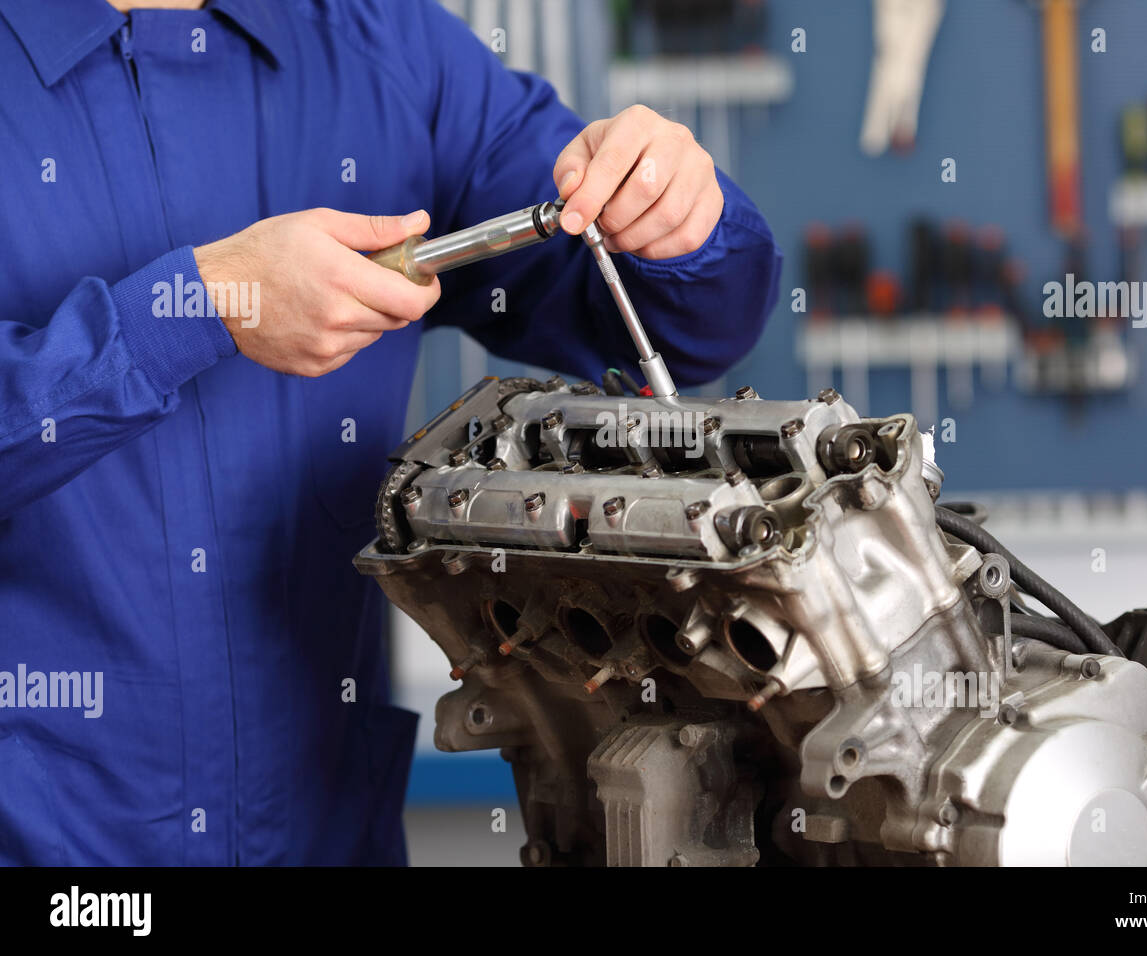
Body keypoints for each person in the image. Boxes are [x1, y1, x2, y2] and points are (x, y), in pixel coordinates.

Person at [0, 0, 781, 865]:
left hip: (325, 833)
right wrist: (191, 310)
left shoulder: (384, 47)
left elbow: (691, 325)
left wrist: (678, 220)